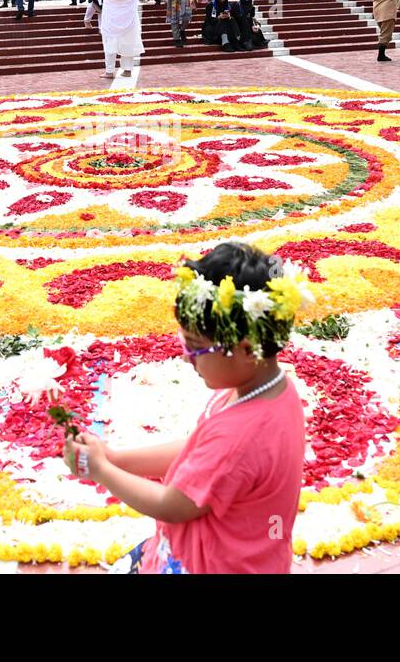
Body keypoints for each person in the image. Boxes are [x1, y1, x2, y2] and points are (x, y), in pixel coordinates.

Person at [64, 241, 308, 575]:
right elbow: (198, 453)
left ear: (248, 349)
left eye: (195, 348)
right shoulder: (270, 389)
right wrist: (115, 458)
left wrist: (101, 471)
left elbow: (172, 505)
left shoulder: (238, 438)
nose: (184, 357)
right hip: (250, 553)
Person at [93, 0, 145, 78]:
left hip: (110, 19)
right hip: (129, 18)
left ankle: (109, 71)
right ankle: (127, 70)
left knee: (109, 44)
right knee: (128, 43)